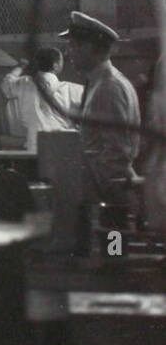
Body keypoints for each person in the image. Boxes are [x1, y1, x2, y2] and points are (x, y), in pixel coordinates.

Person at [58, 11, 140, 206]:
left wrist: (85, 190)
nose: (68, 52)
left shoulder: (109, 87)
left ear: (88, 47)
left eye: (72, 45)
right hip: (105, 192)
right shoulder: (98, 82)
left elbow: (117, 154)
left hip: (110, 197)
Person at [1, 46, 83, 150]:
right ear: (56, 66)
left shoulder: (24, 83)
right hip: (63, 146)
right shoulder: (72, 89)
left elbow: (6, 84)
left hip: (34, 145)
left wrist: (20, 67)